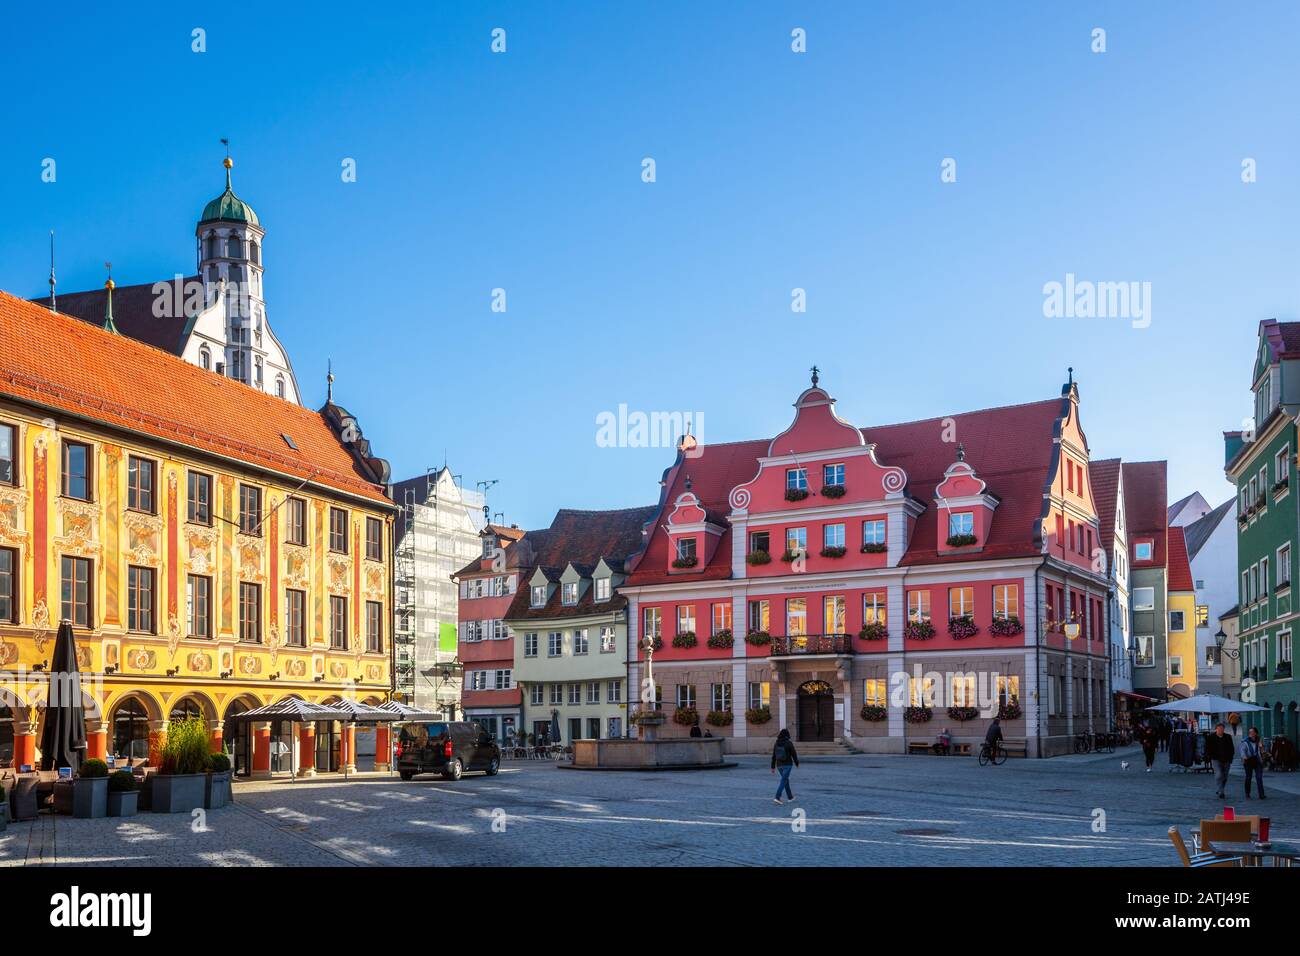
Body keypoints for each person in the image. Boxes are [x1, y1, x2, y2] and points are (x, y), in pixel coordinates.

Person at [1206, 722, 1235, 799]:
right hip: (1216, 759)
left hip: (1227, 759)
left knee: (1225, 776)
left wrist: (1231, 758)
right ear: (1216, 729)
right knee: (1219, 775)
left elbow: (1231, 748)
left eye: (1222, 729)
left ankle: (1220, 789)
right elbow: (1208, 748)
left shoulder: (1228, 737)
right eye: (1219, 729)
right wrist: (1210, 756)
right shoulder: (1211, 737)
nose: (1220, 730)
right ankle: (1221, 792)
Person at [771, 728, 799, 804]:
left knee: (785, 780)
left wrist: (772, 767)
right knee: (783, 781)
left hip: (779, 765)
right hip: (787, 764)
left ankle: (790, 797)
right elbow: (794, 753)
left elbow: (774, 755)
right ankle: (777, 797)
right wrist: (796, 763)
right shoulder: (788, 743)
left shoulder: (776, 743)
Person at [1241, 726, 1266, 800]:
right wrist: (1245, 758)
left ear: (1256, 733)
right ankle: (1247, 793)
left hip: (1257, 761)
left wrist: (1261, 747)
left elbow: (1262, 752)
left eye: (1252, 732)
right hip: (1248, 761)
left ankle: (1261, 794)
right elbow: (1242, 752)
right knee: (1248, 778)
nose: (1251, 733)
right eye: (1250, 732)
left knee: (1259, 778)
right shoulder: (1245, 742)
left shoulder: (1259, 740)